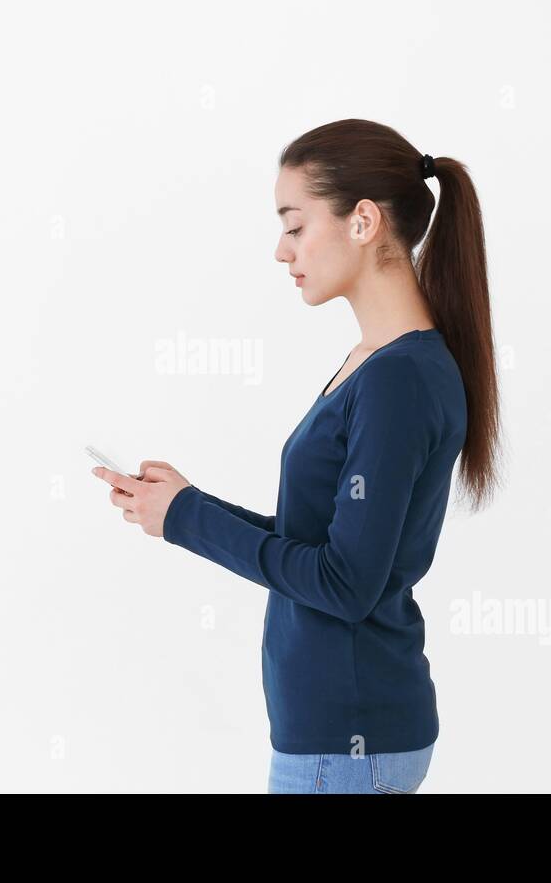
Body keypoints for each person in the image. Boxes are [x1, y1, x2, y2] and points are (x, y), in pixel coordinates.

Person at [92, 118, 502, 793]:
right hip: (338, 741)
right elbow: (319, 543)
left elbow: (345, 583)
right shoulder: (378, 364)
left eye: (294, 224)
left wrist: (187, 518)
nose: (282, 251)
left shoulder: (397, 379)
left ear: (364, 221)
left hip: (348, 746)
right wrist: (186, 507)